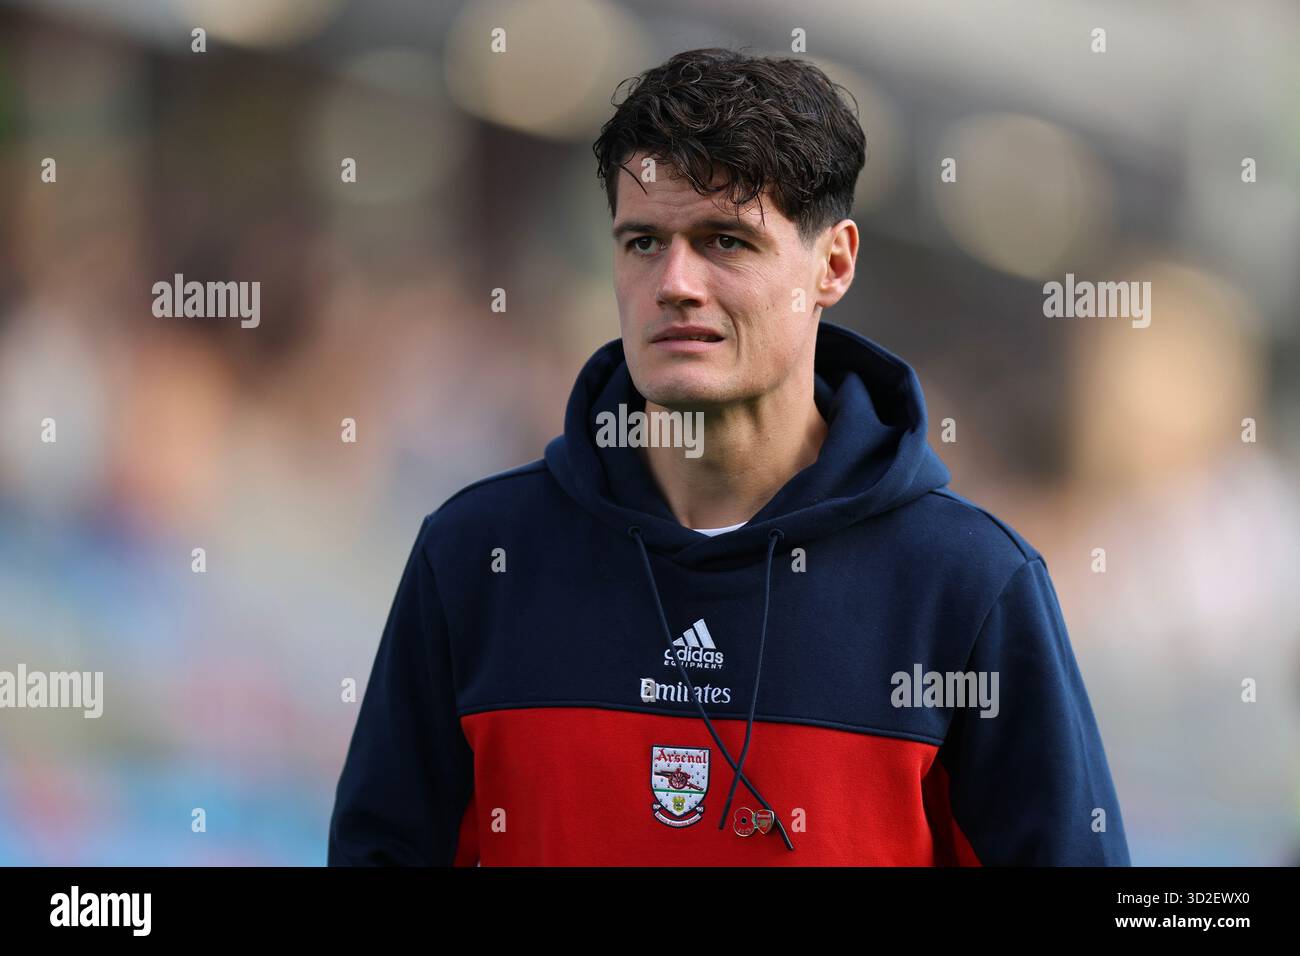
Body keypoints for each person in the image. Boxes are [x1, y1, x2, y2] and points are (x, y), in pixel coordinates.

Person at [327, 47, 1130, 866]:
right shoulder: (476, 557)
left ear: (833, 264)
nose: (675, 281)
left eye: (725, 242)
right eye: (643, 242)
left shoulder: (966, 585)